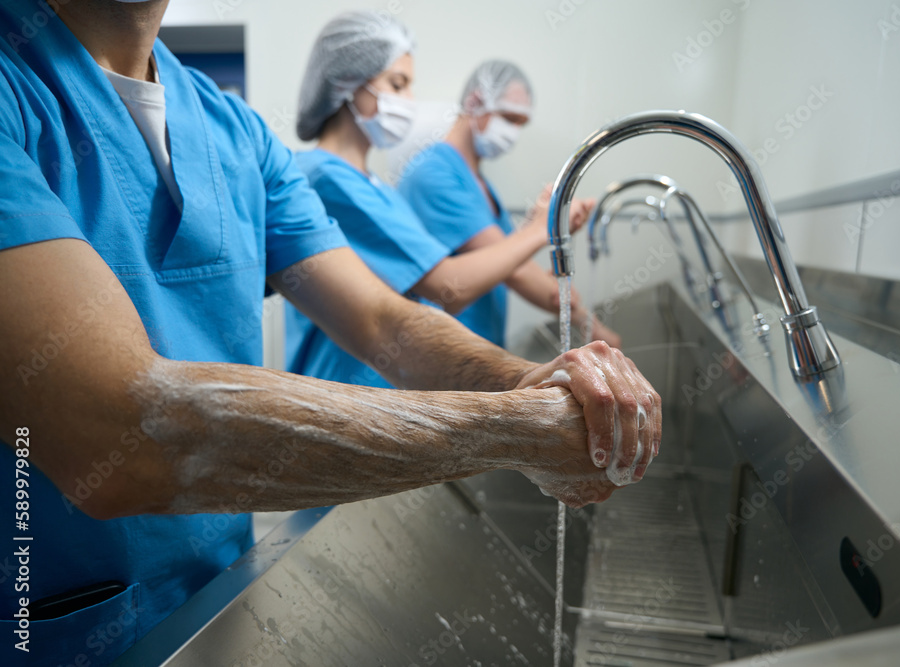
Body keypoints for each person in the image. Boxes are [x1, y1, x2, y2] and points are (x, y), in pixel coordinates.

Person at [0, 1, 659, 664]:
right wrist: (516, 429)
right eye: (395, 81)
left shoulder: (234, 130)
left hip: (217, 606)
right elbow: (117, 434)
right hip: (53, 629)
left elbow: (385, 319)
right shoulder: (14, 89)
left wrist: (527, 383)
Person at [286, 12, 609, 388]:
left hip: (383, 392)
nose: (408, 100)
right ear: (346, 80)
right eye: (396, 83)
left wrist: (539, 226)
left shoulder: (373, 186)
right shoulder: (327, 179)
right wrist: (540, 229)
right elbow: (449, 287)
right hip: (344, 395)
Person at [397, 60, 622, 349]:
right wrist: (592, 326)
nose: (513, 132)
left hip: (478, 347)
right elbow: (520, 274)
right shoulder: (435, 174)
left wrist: (545, 229)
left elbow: (509, 258)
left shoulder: (479, 183)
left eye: (521, 124)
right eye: (509, 118)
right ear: (475, 101)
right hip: (445, 350)